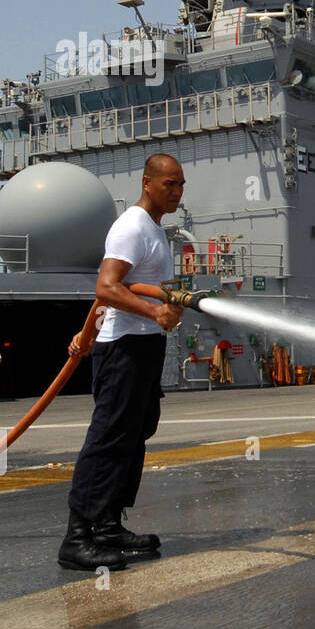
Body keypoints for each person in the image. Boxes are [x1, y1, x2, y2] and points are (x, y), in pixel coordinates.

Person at [58, 154, 185, 571]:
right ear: (147, 183)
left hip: (144, 346)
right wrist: (155, 313)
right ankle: (77, 537)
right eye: (169, 184)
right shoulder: (132, 226)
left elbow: (115, 292)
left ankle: (108, 525)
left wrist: (86, 333)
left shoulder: (155, 231)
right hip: (125, 348)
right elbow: (106, 288)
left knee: (137, 432)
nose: (177, 192)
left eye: (181, 184)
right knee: (109, 438)